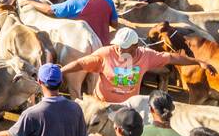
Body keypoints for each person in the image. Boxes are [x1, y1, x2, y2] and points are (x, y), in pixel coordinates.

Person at [63, 26, 208, 103]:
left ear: (135, 45)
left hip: (129, 107)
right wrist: (62, 71)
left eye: (124, 46)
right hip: (103, 105)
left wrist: (198, 62)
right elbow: (80, 63)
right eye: (118, 45)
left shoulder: (145, 55)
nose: (119, 48)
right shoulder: (105, 54)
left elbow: (171, 58)